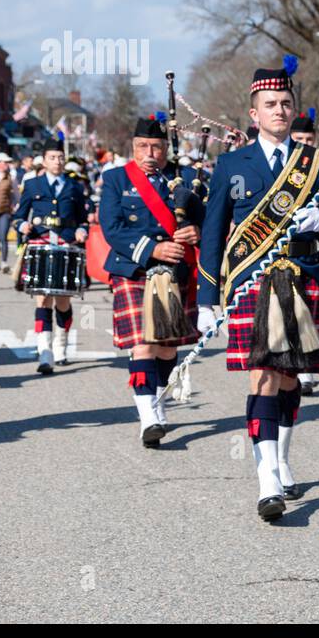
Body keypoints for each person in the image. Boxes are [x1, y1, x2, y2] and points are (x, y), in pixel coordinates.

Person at [197, 55, 319, 521]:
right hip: (254, 283)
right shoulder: (231, 165)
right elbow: (212, 237)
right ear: (254, 113)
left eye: (286, 103)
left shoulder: (316, 163)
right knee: (264, 376)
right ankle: (266, 474)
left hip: (303, 283)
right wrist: (206, 300)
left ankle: (283, 456)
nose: (280, 110)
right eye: (270, 103)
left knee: (289, 379)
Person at [99, 117, 204, 447]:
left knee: (166, 345)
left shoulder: (185, 177)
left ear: (165, 149)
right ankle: (148, 417)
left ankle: (158, 404)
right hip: (134, 268)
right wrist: (154, 248)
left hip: (175, 271)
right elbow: (111, 227)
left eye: (156, 147)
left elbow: (207, 216)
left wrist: (196, 231)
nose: (149, 153)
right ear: (132, 148)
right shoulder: (116, 179)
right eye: (142, 147)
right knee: (143, 343)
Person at [12, 141, 90, 374]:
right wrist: (23, 225)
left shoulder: (75, 187)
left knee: (63, 301)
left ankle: (61, 345)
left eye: (60, 157)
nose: (57, 161)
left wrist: (82, 230)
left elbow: (83, 219)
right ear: (44, 161)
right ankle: (45, 350)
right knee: (43, 299)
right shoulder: (33, 184)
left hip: (66, 244)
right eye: (53, 157)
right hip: (40, 244)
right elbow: (19, 216)